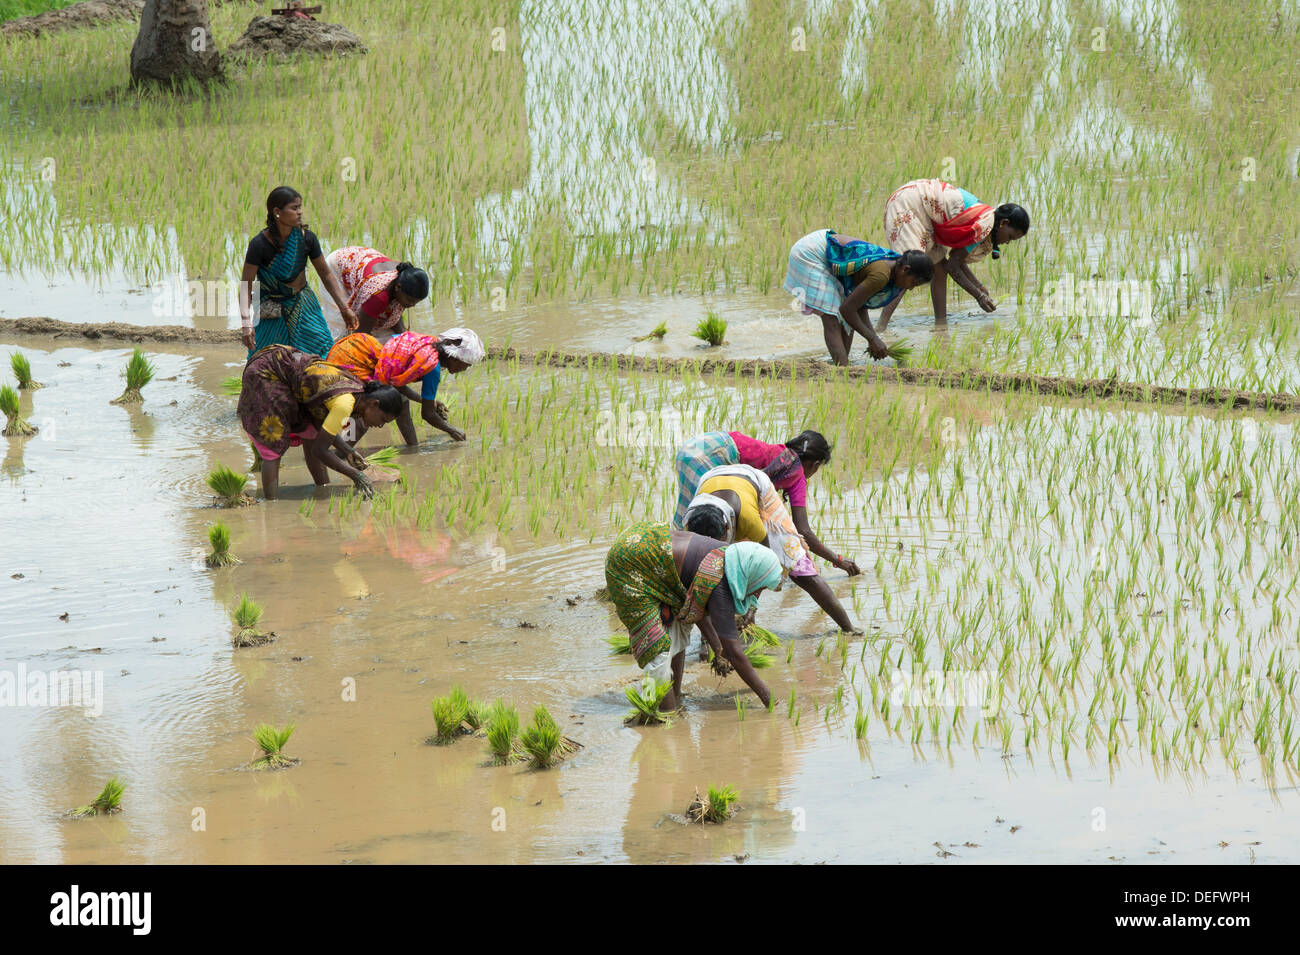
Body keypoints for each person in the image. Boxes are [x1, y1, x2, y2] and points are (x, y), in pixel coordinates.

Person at [604, 522, 783, 710]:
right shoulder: (720, 582)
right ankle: (655, 709)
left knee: (680, 630)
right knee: (656, 649)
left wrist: (717, 648)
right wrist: (768, 698)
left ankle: (674, 696)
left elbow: (699, 611)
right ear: (752, 574)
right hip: (628, 564)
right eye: (759, 587)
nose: (756, 595)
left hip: (652, 552)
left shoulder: (730, 559)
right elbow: (734, 652)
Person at [684, 464, 859, 632]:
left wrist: (751, 607)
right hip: (710, 478)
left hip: (755, 483)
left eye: (718, 542)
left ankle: (848, 628)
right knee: (707, 571)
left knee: (799, 568)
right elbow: (697, 580)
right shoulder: (689, 525)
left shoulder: (750, 522)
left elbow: (765, 564)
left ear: (727, 528)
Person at [672, 430, 860, 576]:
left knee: (691, 521)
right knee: (707, 530)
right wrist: (838, 559)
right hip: (710, 457)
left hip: (700, 445)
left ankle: (676, 564)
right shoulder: (797, 475)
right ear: (816, 464)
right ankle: (692, 577)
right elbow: (804, 531)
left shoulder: (779, 454)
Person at [237, 344, 402, 500]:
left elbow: (322, 431)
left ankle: (322, 487)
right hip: (267, 374)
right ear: (374, 404)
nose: (379, 426)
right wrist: (356, 475)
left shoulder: (357, 392)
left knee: (312, 433)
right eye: (382, 420)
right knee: (273, 446)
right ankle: (270, 505)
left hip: (288, 371)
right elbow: (320, 451)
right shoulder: (344, 405)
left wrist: (347, 450)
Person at [879, 179, 1029, 326]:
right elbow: (953, 266)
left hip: (925, 213)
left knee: (939, 268)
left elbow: (956, 260)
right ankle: (880, 327)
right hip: (909, 204)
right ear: (1004, 223)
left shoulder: (987, 221)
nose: (1007, 242)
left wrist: (978, 286)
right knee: (909, 270)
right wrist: (979, 296)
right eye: (1010, 237)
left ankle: (941, 325)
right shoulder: (983, 225)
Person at [239, 186, 358, 358]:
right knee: (267, 358)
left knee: (322, 351)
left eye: (300, 207)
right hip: (270, 307)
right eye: (294, 208)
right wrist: (246, 323)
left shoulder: (307, 238)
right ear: (277, 212)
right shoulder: (259, 244)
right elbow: (245, 286)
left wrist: (344, 307)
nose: (300, 212)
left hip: (303, 303)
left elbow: (326, 274)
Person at [783, 230, 934, 365]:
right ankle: (843, 371)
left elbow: (858, 307)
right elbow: (847, 309)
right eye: (914, 282)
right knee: (832, 318)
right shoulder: (881, 275)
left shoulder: (893, 268)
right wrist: (872, 339)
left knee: (849, 322)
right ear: (905, 269)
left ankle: (841, 364)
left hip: (822, 250)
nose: (911, 287)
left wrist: (873, 337)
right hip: (810, 252)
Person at [326, 328, 485, 444]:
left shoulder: (428, 342)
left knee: (401, 402)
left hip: (356, 349)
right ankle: (343, 455)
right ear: (455, 358)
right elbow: (428, 414)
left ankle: (412, 448)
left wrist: (427, 401)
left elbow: (396, 382)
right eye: (466, 365)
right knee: (362, 417)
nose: (464, 369)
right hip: (358, 363)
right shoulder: (432, 368)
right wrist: (452, 430)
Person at [324, 246, 431, 341]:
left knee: (384, 329)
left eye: (416, 302)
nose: (412, 305)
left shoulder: (403, 277)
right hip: (339, 265)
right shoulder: (378, 296)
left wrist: (405, 337)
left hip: (362, 261)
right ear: (398, 287)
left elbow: (394, 313)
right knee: (342, 324)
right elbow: (360, 334)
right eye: (410, 300)